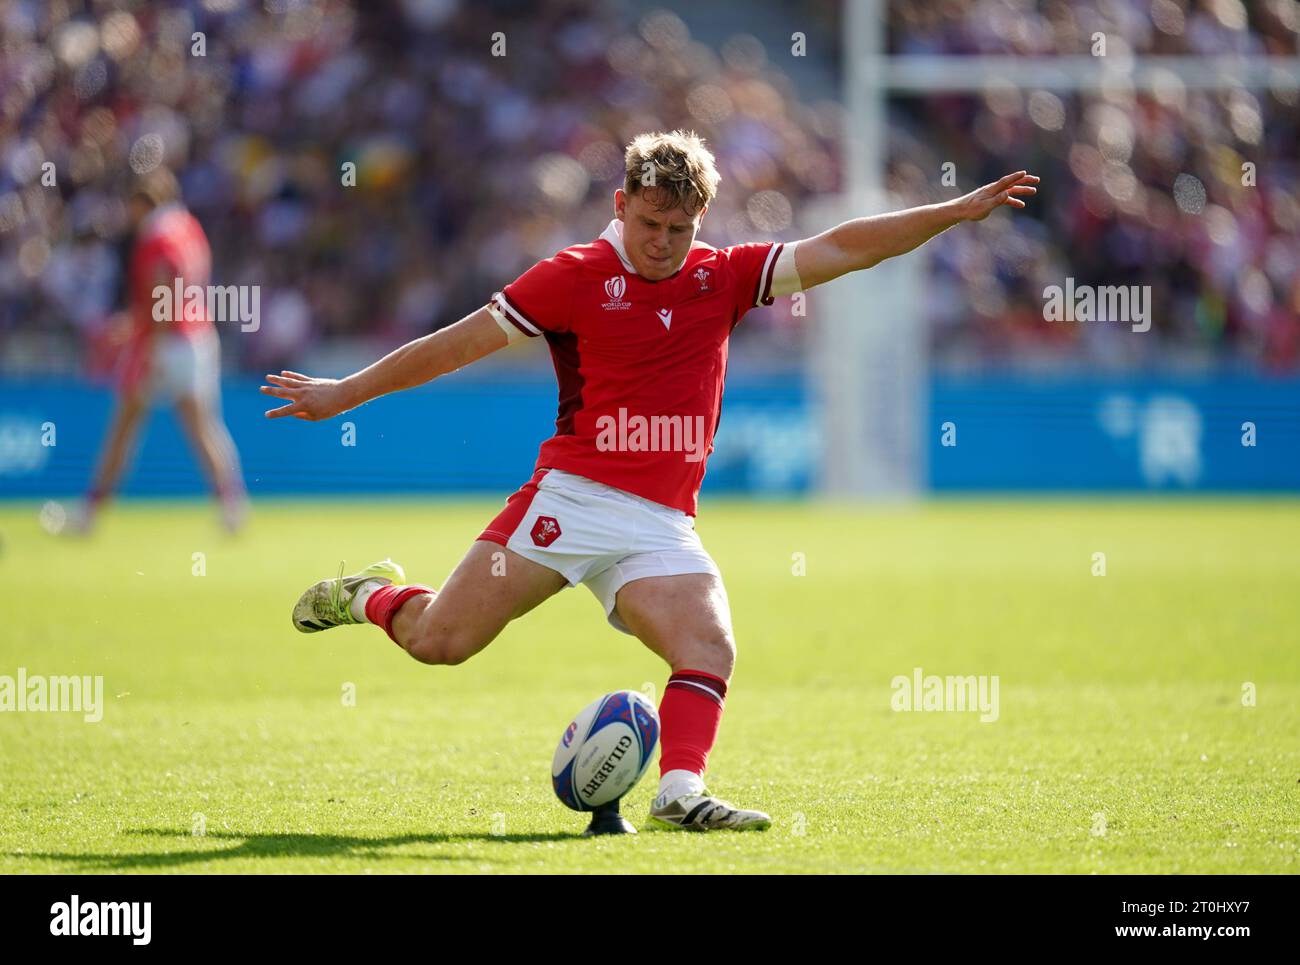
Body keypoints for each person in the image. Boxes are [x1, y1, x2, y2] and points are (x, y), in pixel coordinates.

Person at [262, 130, 1037, 832]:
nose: (664, 243)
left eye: (681, 228)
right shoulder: (571, 276)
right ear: (620, 203)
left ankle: (678, 790)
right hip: (571, 498)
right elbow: (453, 346)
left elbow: (844, 248)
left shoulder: (724, 277)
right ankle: (366, 595)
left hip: (662, 521)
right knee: (441, 642)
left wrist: (951, 212)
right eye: (650, 224)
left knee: (709, 642)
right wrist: (344, 393)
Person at [79, 167, 248, 533]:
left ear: (142, 203)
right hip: (198, 338)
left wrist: (151, 345)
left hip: (167, 343)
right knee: (204, 428)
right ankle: (233, 507)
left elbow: (163, 292)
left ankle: (89, 514)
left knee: (124, 427)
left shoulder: (155, 236)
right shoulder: (189, 228)